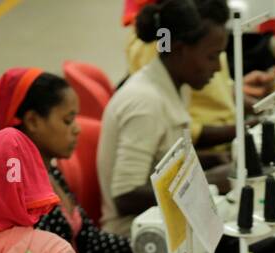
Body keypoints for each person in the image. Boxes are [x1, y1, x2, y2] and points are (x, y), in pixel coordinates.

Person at [0, 68, 133, 253]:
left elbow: (87, 240)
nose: (77, 129)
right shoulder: (19, 190)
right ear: (33, 121)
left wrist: (144, 246)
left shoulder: (49, 171)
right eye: (67, 120)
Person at [99, 0, 234, 235]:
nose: (218, 69)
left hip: (165, 221)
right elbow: (125, 195)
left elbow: (162, 165)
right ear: (181, 49)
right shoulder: (145, 102)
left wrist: (213, 160)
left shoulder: (175, 87)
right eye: (212, 57)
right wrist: (207, 181)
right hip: (137, 235)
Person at [122, 0, 275, 153]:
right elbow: (177, 130)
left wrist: (262, 106)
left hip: (225, 143)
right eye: (212, 57)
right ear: (179, 50)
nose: (216, 66)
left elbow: (221, 89)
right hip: (202, 152)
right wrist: (247, 127)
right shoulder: (163, 40)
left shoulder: (206, 21)